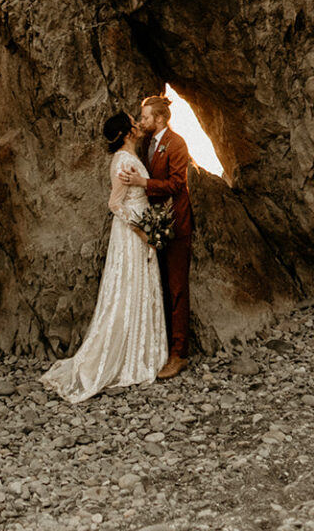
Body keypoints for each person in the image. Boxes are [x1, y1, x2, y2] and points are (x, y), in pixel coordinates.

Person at [41, 111, 167, 403]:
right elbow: (115, 203)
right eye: (133, 124)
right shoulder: (124, 161)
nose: (137, 125)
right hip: (132, 233)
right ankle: (125, 357)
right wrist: (142, 230)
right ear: (125, 134)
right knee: (128, 288)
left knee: (136, 288)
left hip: (138, 227)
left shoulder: (129, 158)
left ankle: (141, 349)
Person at [119, 94, 193, 378]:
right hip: (153, 225)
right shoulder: (148, 143)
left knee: (177, 290)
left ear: (160, 119)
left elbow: (176, 184)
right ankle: (156, 347)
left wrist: (142, 183)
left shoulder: (177, 144)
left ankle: (179, 354)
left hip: (176, 225)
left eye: (146, 117)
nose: (142, 121)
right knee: (156, 287)